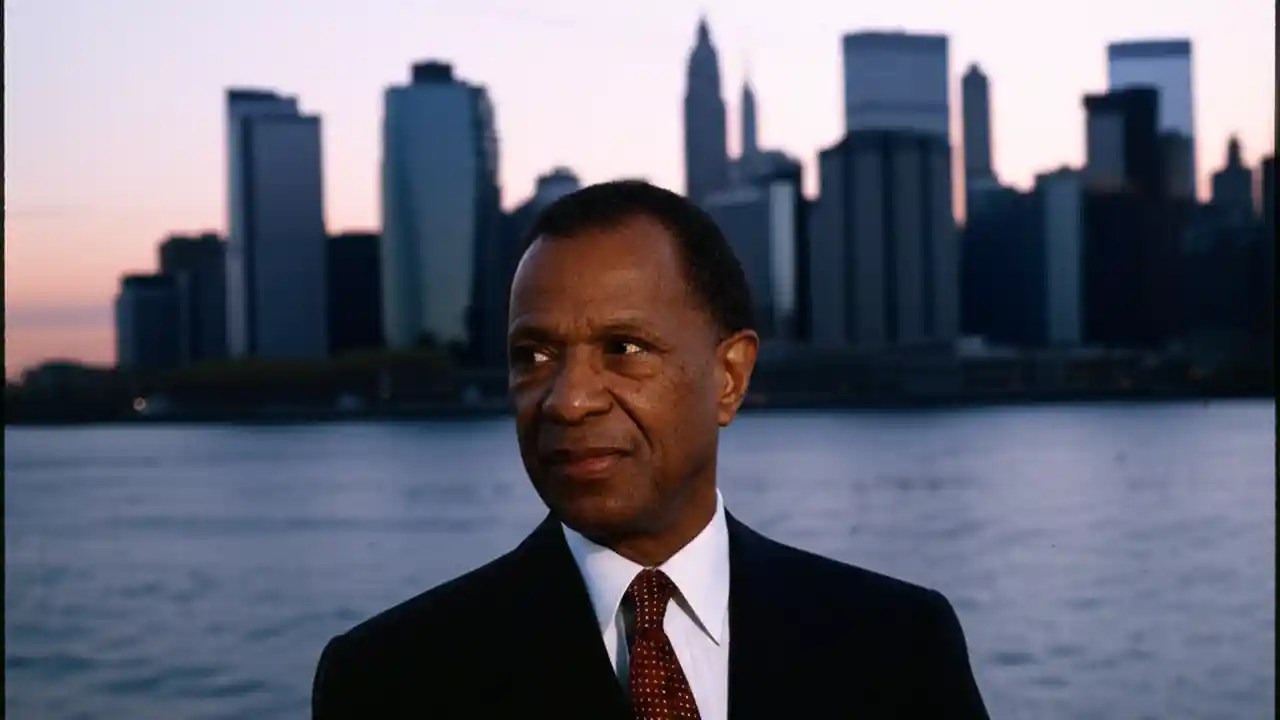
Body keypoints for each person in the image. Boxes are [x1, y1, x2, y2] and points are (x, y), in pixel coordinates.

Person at [312, 180, 989, 719]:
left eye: (623, 349)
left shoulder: (897, 647)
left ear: (730, 377)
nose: (568, 400)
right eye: (534, 356)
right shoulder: (388, 682)